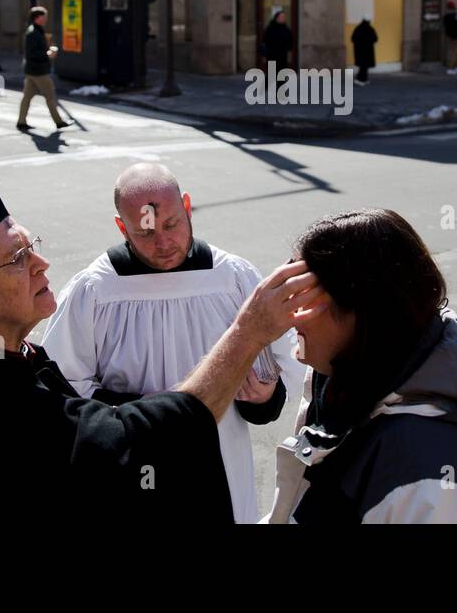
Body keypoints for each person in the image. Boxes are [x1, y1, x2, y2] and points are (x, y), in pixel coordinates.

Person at [0, 168, 327, 525]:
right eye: (17, 258)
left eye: (31, 246)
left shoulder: (7, 356)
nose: (42, 264)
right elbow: (124, 441)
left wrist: (262, 393)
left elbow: (279, 376)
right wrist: (246, 334)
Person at [42, 163, 302, 523]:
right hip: (132, 470)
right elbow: (63, 391)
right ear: (122, 227)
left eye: (171, 224)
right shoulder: (95, 291)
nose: (163, 244)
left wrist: (264, 398)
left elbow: (280, 369)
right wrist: (151, 416)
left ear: (187, 206)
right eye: (144, 233)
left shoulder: (233, 279)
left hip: (220, 466)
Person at [264, 209, 457, 524]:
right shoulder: (349, 384)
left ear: (360, 309)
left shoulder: (430, 480)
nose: (289, 309)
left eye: (304, 292)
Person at [17, 5, 68, 133]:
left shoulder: (35, 30)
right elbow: (32, 53)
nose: (46, 19)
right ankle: (59, 121)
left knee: (27, 97)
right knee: (50, 95)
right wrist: (47, 54)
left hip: (32, 70)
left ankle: (21, 122)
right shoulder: (33, 32)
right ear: (37, 18)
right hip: (38, 71)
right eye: (44, 17)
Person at [351, 17, 377, 85]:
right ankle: (360, 79)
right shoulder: (370, 29)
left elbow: (353, 39)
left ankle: (364, 79)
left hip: (359, 51)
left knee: (363, 66)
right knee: (364, 66)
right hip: (368, 51)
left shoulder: (357, 28)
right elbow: (375, 39)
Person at [443, 1, 457, 74]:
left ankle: (451, 67)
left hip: (449, 36)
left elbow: (445, 26)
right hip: (456, 36)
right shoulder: (456, 16)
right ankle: (453, 67)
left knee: (450, 52)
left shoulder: (445, 17)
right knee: (455, 52)